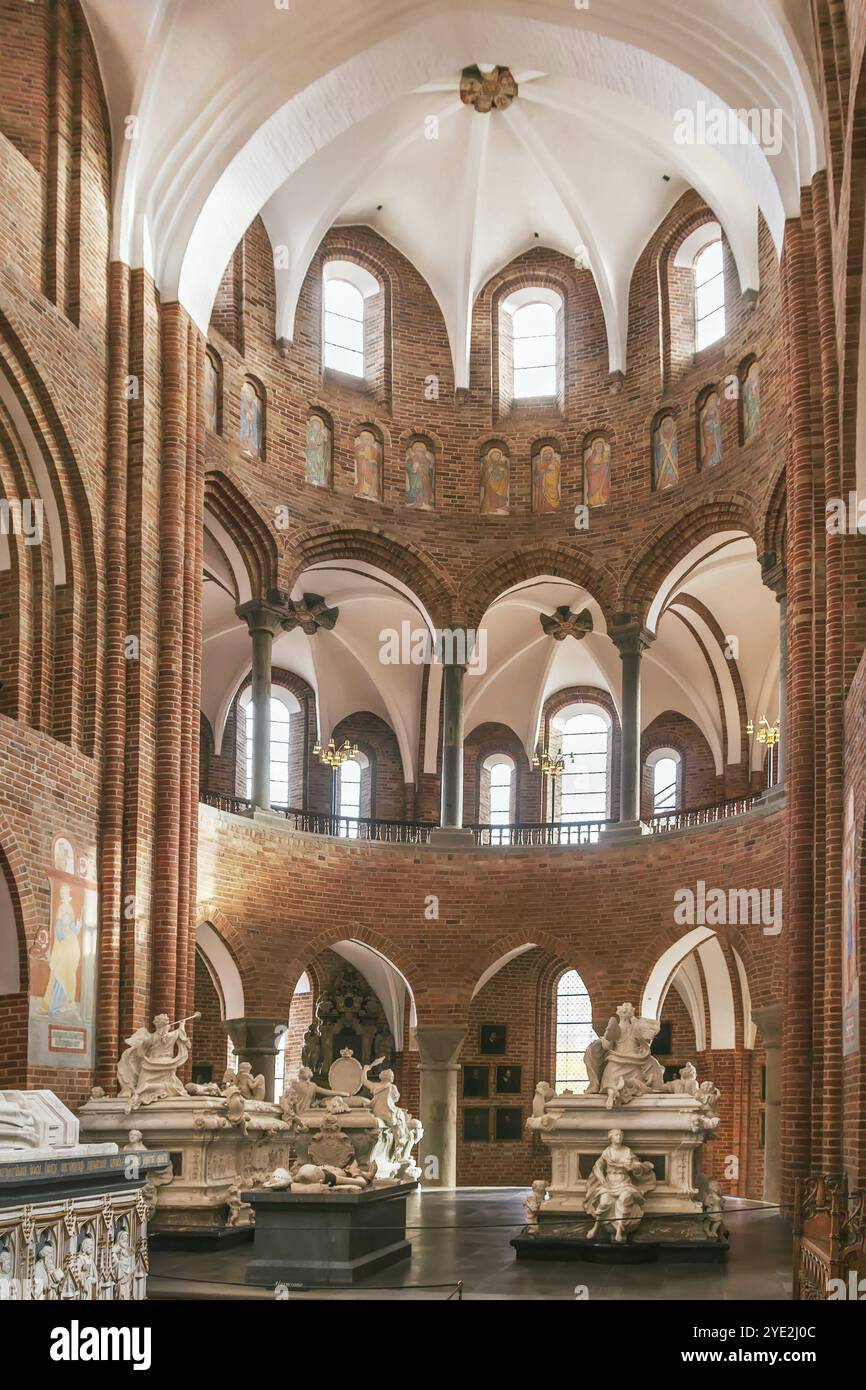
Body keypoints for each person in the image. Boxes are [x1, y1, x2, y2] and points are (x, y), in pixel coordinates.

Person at [585, 1128, 656, 1243]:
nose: (619, 1137)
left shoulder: (627, 1151)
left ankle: (619, 1229)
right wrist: (602, 1179)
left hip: (624, 1183)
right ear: (611, 1138)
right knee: (604, 1202)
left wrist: (632, 1166)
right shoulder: (607, 1152)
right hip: (609, 1184)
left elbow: (637, 1164)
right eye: (616, 1135)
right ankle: (596, 1227)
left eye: (620, 1135)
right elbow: (597, 1167)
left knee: (624, 1200)